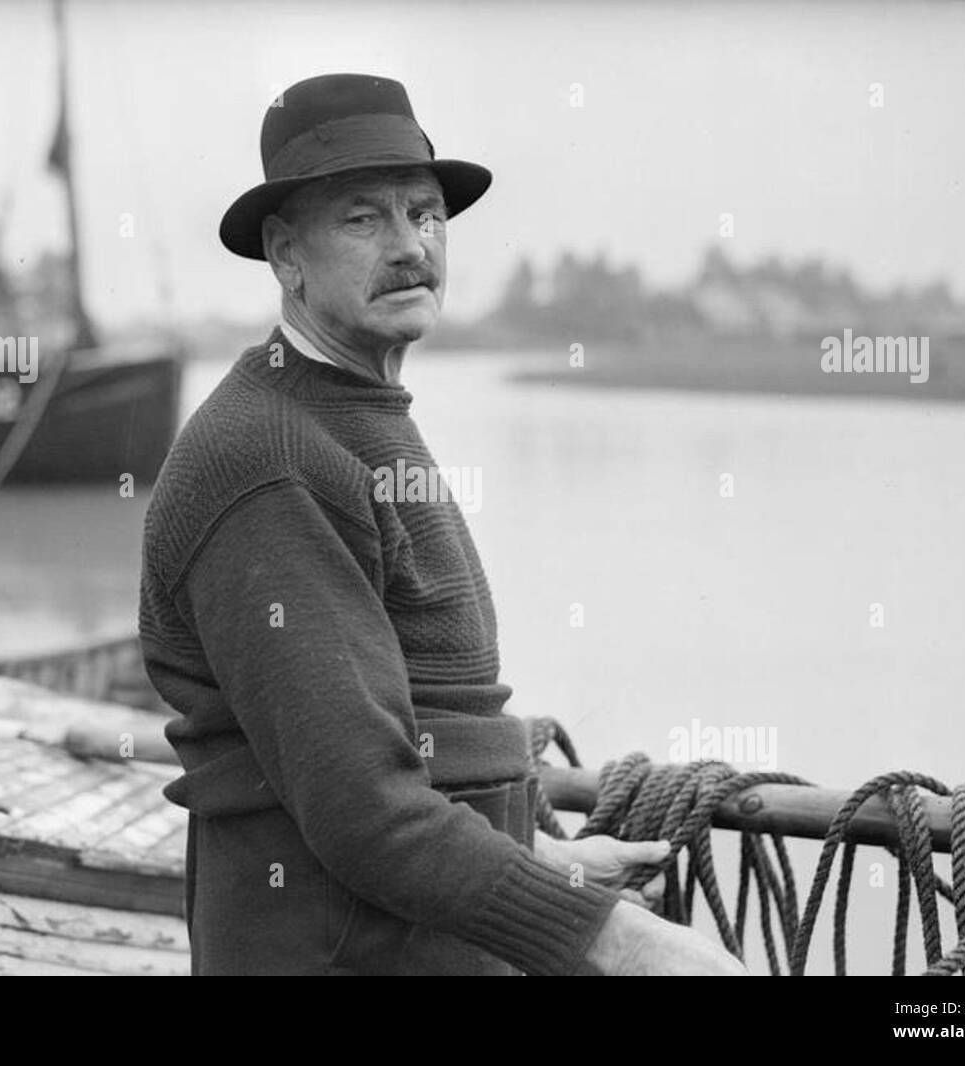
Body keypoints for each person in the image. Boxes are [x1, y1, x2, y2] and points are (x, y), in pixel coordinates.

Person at [139, 72, 746, 976]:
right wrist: (623, 942)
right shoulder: (267, 463)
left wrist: (545, 859)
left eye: (425, 214)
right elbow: (364, 809)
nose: (410, 245)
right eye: (362, 218)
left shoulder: (351, 407)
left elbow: (422, 723)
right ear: (284, 252)